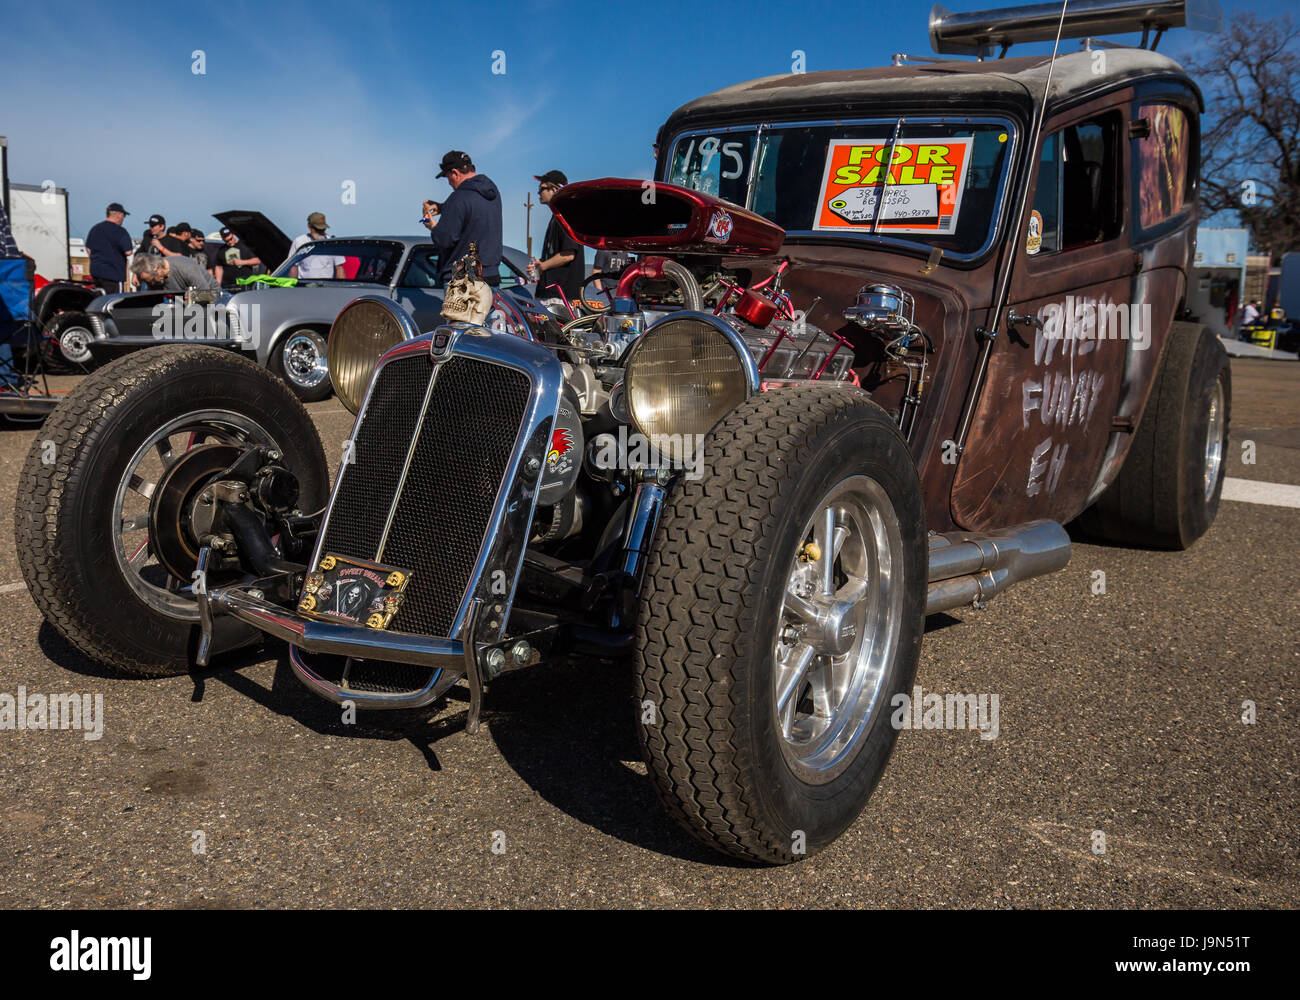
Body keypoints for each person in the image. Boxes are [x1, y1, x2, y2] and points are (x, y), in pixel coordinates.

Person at [421, 150, 502, 285]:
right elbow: (473, 212)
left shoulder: (458, 197)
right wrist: (443, 208)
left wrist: (432, 225)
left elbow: (445, 239)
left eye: (447, 177)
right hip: (490, 276)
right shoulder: (492, 193)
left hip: (462, 279)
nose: (449, 183)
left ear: (455, 173)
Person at [531, 170, 584, 301]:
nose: (539, 193)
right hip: (552, 292)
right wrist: (540, 265)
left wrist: (543, 266)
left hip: (561, 295)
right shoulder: (556, 217)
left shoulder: (566, 215)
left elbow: (568, 254)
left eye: (542, 188)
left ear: (555, 189)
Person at [85, 203, 134, 293]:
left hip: (96, 273)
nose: (123, 219)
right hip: (113, 274)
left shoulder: (95, 229)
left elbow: (88, 248)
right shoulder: (120, 231)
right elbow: (128, 252)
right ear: (119, 215)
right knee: (114, 302)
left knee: (98, 299)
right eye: (123, 216)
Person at [287, 212, 344, 279]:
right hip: (305, 286)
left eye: (322, 229)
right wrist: (293, 287)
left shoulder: (332, 243)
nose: (320, 232)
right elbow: (293, 266)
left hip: (327, 286)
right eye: (317, 229)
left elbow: (339, 268)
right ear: (309, 227)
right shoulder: (299, 241)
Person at [130, 252, 219, 292]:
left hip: (214, 298)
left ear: (158, 268)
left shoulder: (185, 268)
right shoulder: (153, 276)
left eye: (152, 280)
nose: (152, 284)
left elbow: (207, 293)